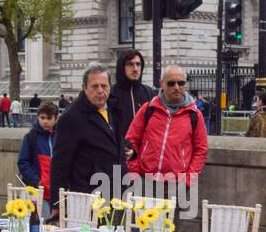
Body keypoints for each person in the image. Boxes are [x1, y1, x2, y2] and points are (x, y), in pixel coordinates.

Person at [124, 64, 208, 193]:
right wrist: (135, 173)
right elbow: (131, 141)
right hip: (145, 182)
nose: (177, 87)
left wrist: (187, 180)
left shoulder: (194, 115)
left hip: (177, 186)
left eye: (181, 83)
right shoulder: (148, 109)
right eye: (171, 83)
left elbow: (200, 150)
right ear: (162, 84)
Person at [48, 64, 125, 205]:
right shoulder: (71, 117)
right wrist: (57, 204)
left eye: (104, 86)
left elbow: (116, 141)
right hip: (87, 197)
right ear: (84, 88)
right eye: (94, 86)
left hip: (117, 192)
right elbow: (60, 164)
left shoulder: (114, 108)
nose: (100, 91)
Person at [108, 49, 153, 160]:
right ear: (122, 67)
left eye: (138, 64)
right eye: (130, 64)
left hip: (145, 156)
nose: (135, 68)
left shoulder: (148, 92)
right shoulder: (111, 93)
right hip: (120, 156)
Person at [17, 100, 57, 210]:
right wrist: (36, 181)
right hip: (38, 190)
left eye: (49, 118)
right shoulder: (30, 137)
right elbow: (23, 162)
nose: (45, 121)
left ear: (55, 118)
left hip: (57, 190)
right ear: (38, 117)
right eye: (42, 118)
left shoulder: (61, 136)